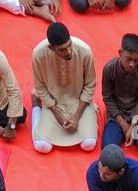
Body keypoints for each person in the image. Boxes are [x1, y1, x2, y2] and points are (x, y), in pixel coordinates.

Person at [31, 21, 97, 153]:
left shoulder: (84, 51)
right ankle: (36, 107)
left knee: (89, 144)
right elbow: (40, 87)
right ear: (51, 48)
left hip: (79, 103)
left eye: (69, 46)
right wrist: (58, 115)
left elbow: (90, 84)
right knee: (42, 146)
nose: (68, 52)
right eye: (62, 49)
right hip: (54, 103)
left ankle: (92, 111)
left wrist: (77, 117)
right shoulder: (38, 54)